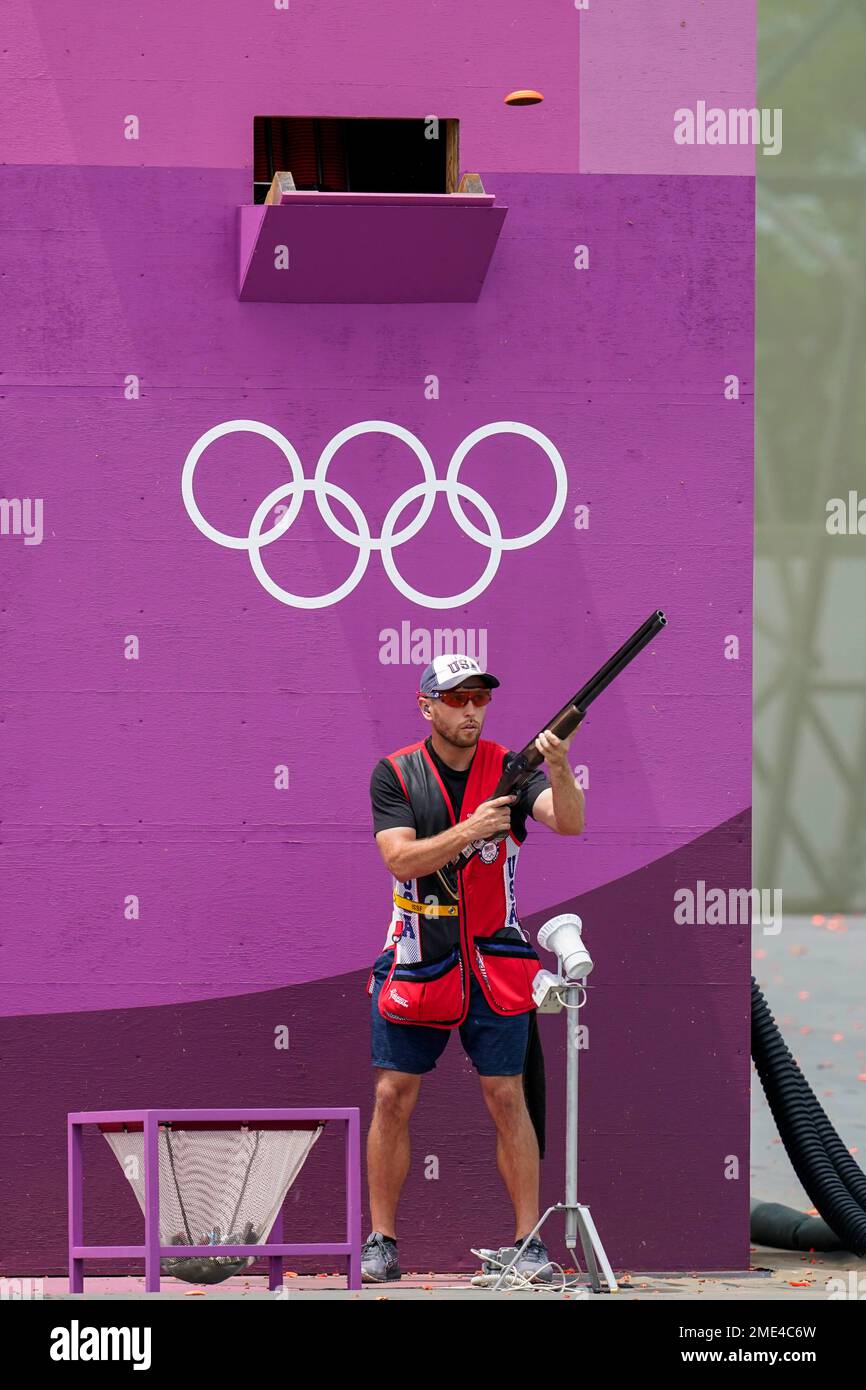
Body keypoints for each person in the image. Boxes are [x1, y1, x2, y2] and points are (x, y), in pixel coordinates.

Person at [363, 652, 585, 1283]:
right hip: (419, 957)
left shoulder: (513, 769)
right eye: (456, 699)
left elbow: (570, 823)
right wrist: (470, 830)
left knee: (506, 1096)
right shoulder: (396, 773)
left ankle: (528, 1242)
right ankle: (382, 1241)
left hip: (495, 960)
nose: (470, 710)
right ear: (426, 705)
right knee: (392, 1095)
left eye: (479, 699)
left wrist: (561, 765)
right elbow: (400, 861)